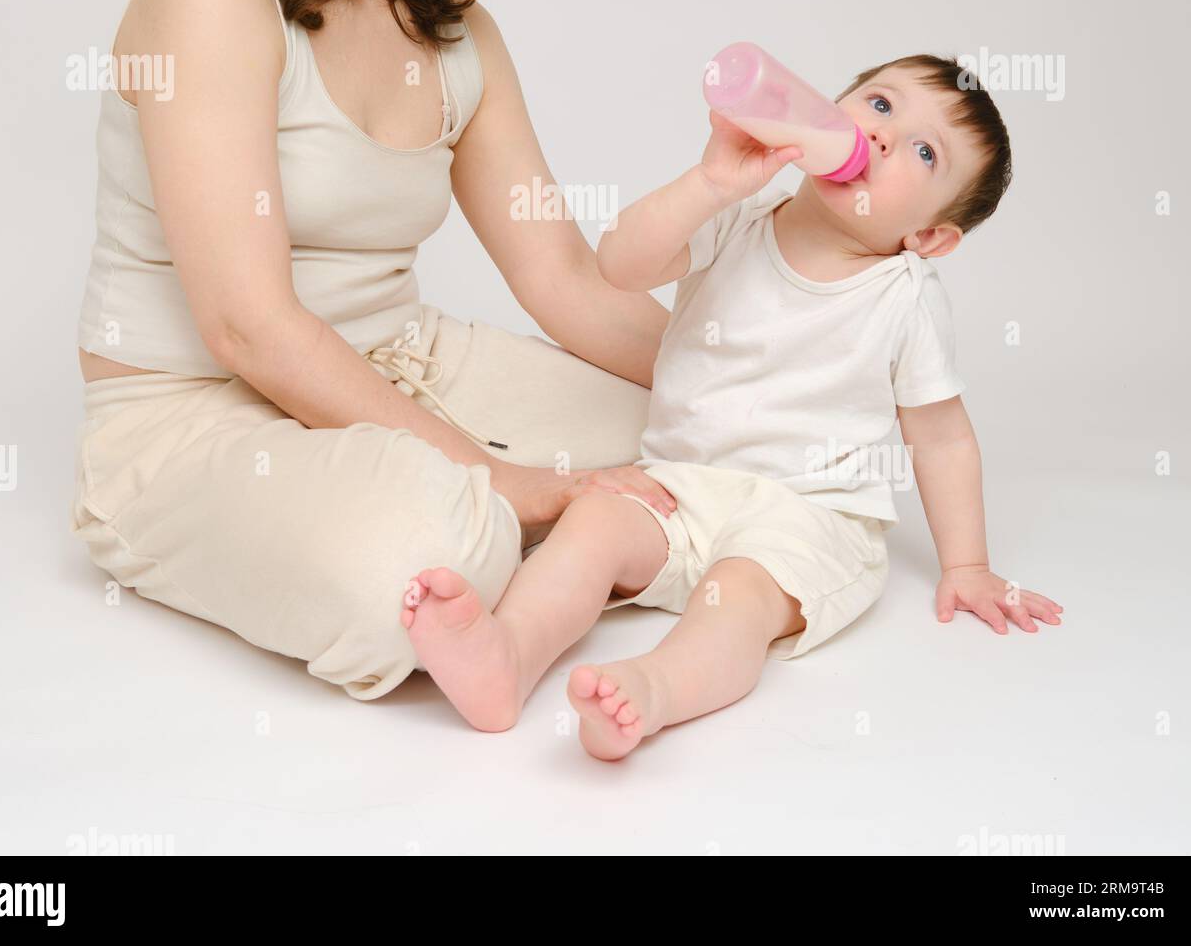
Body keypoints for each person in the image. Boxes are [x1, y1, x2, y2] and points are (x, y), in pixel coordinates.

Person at [72, 0, 676, 702]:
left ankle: (544, 545)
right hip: (196, 415)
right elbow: (248, 327)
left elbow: (567, 282)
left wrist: (769, 373)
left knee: (705, 441)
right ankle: (522, 543)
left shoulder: (454, 30)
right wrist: (505, 481)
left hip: (401, 366)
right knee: (421, 554)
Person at [400, 55, 1065, 760]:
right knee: (592, 521)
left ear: (928, 237)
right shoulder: (736, 220)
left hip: (810, 514)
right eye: (879, 105)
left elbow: (942, 438)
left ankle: (654, 690)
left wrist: (967, 567)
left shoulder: (904, 298)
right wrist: (709, 183)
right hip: (682, 486)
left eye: (924, 152)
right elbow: (619, 265)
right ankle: (506, 655)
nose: (882, 136)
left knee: (739, 592)